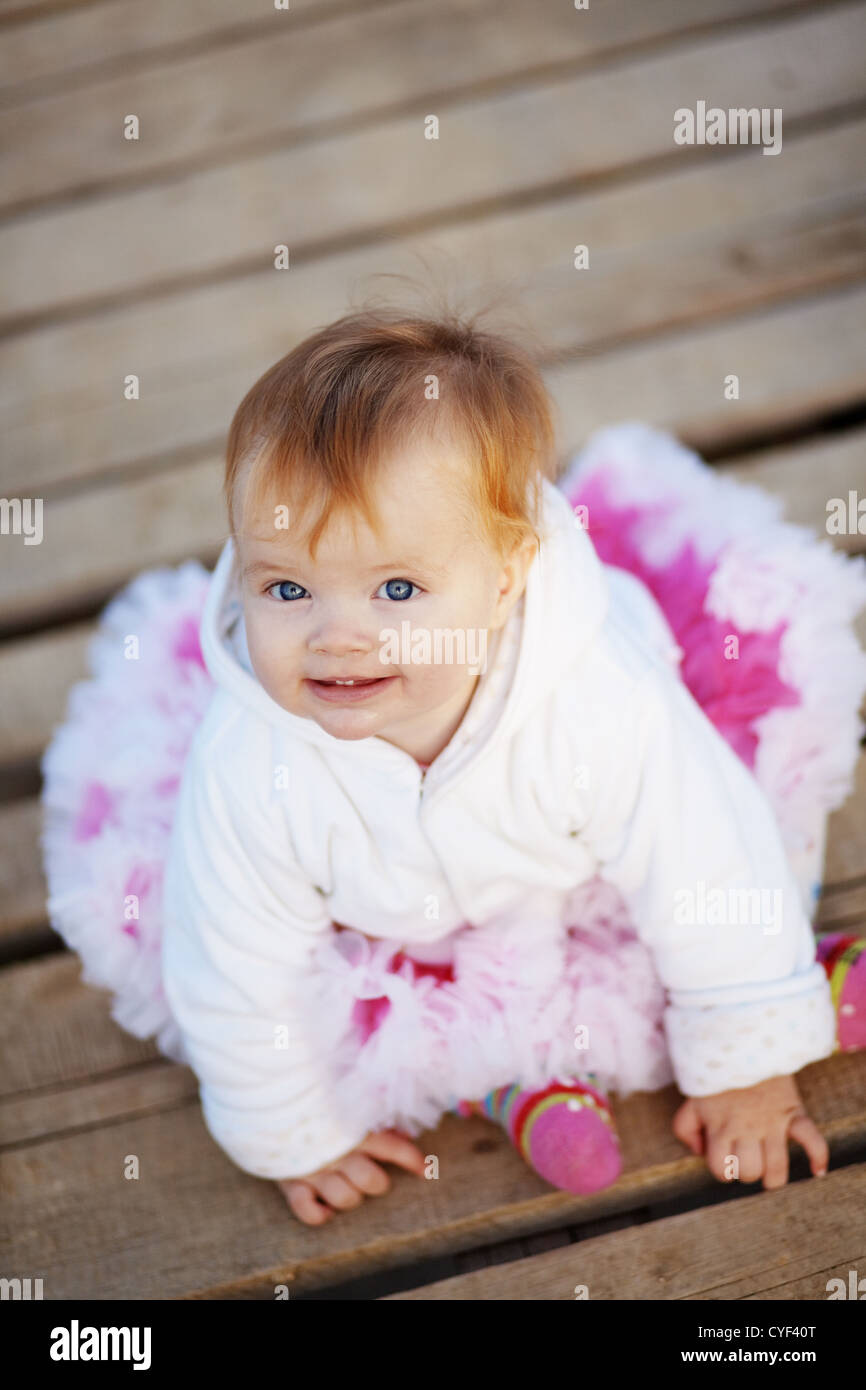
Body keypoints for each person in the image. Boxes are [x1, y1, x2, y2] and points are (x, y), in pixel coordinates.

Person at [41, 306, 866, 1227]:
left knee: (716, 861)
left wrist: (747, 1062)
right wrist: (289, 1126)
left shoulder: (594, 699)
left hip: (572, 883)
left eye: (397, 589)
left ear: (508, 576)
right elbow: (227, 959)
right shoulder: (252, 758)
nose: (336, 637)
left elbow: (708, 861)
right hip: (400, 927)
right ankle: (506, 1086)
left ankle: (773, 996)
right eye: (286, 587)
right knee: (371, 1011)